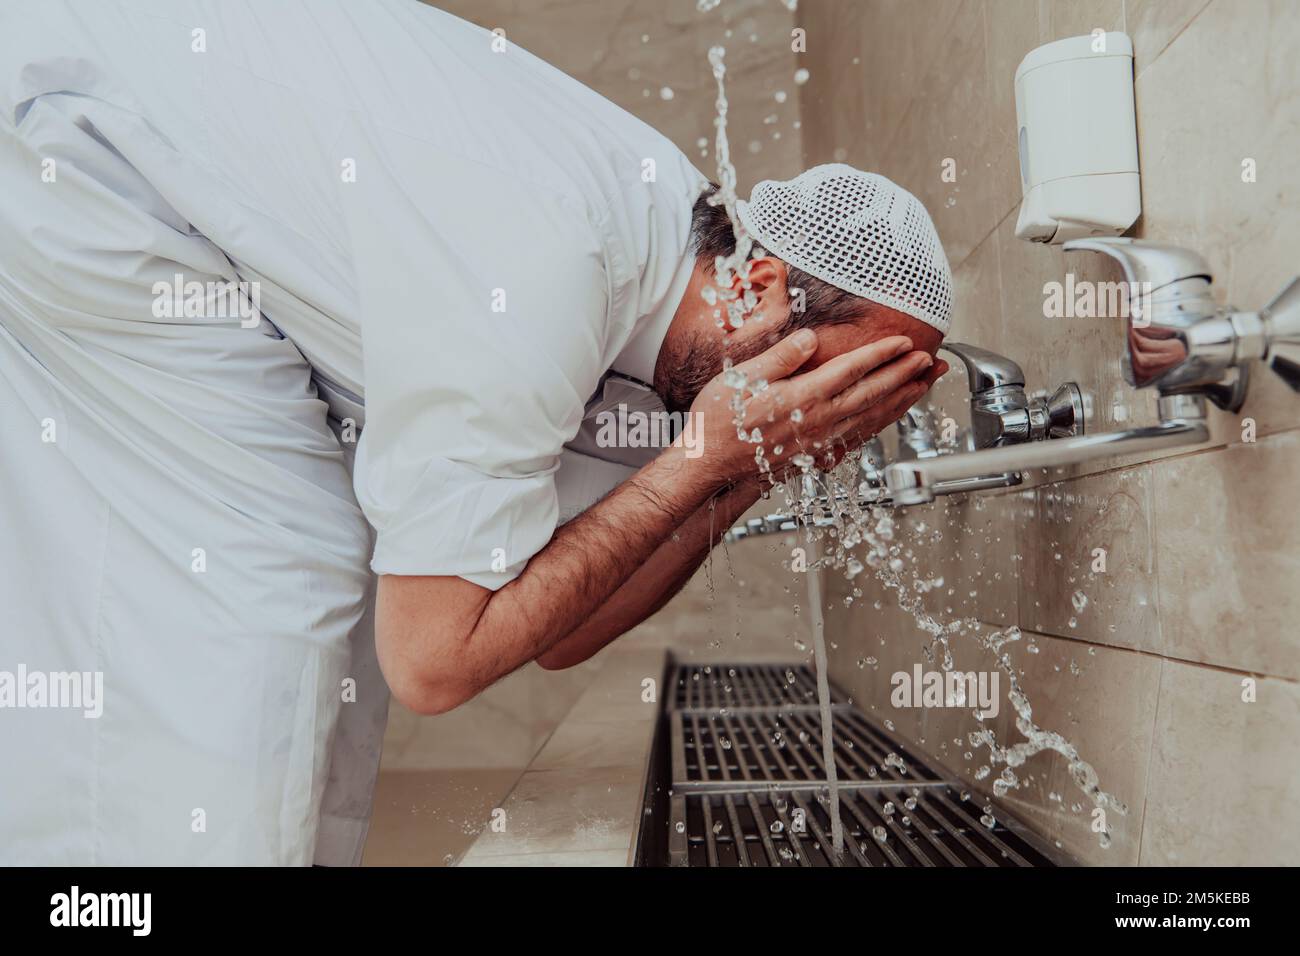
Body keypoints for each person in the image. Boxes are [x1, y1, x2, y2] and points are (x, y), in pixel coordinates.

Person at [0, 0, 950, 864]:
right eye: (850, 384)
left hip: (169, 182)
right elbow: (435, 662)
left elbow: (557, 628)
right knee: (276, 574)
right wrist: (710, 454)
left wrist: (746, 466)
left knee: (336, 621)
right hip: (82, 149)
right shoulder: (550, 272)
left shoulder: (677, 319)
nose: (843, 426)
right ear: (765, 288)